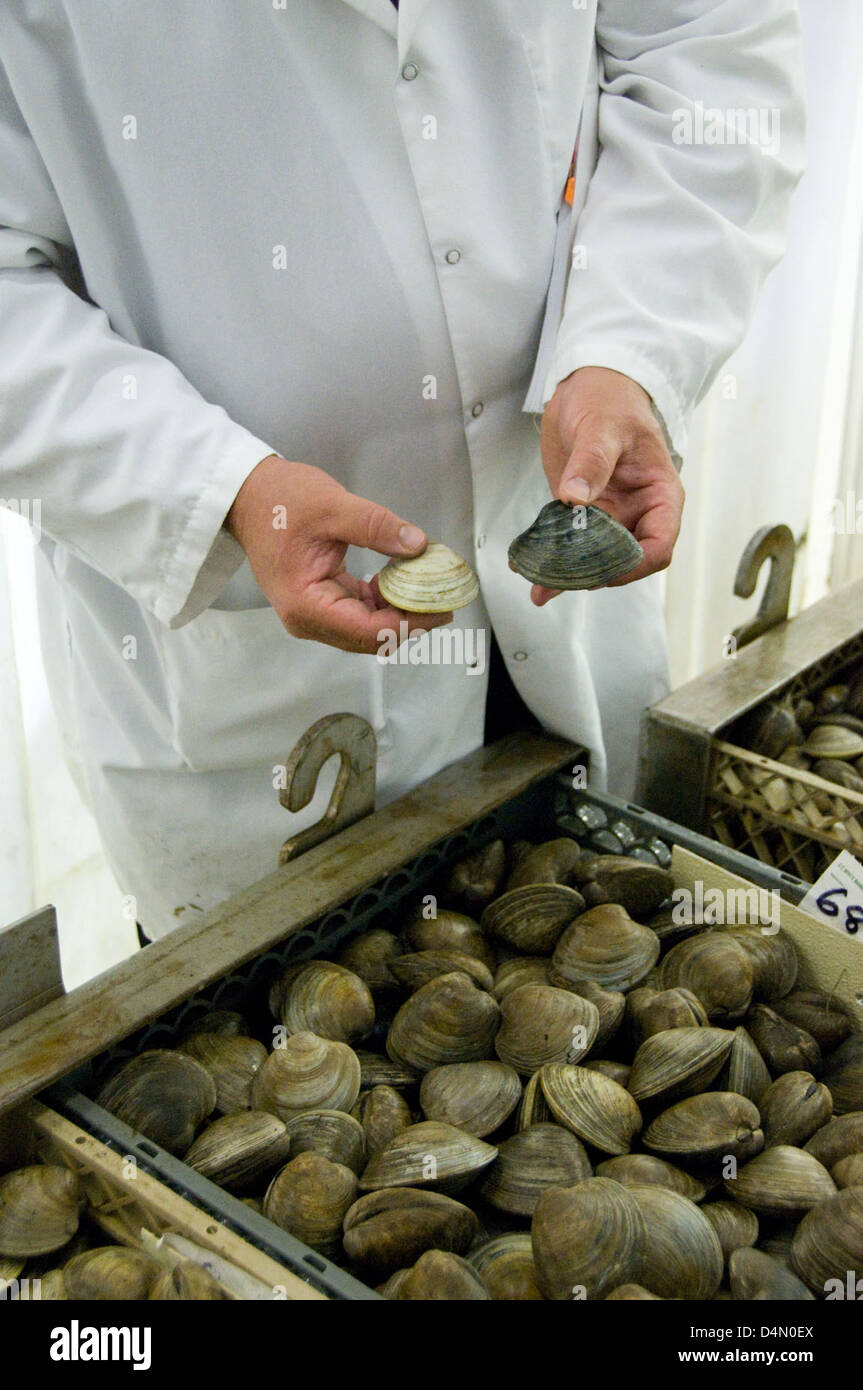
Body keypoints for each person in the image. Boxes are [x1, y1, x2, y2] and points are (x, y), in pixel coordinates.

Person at [0, 2, 805, 940]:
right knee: (282, 1032)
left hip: (552, 569)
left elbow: (703, 44)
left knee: (594, 937)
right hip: (255, 657)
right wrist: (213, 491)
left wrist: (628, 346)